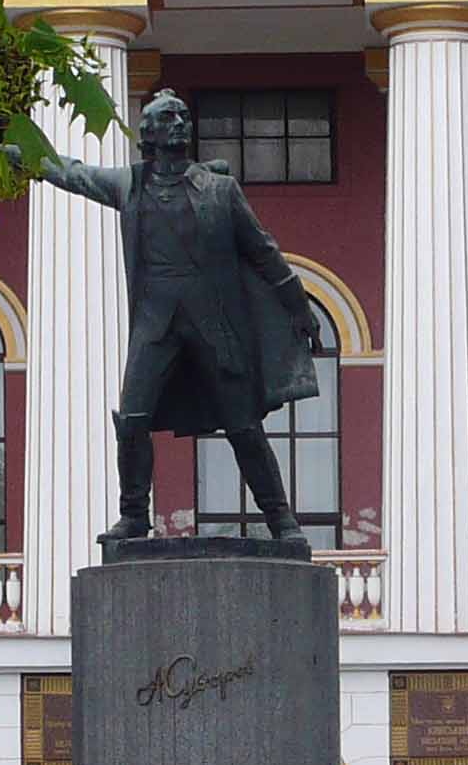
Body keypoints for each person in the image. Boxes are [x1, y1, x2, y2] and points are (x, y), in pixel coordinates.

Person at [39, 89, 321, 550]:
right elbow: (74, 173)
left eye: (184, 117)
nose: (180, 123)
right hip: (156, 323)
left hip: (213, 322)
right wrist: (26, 158)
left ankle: (281, 520)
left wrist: (298, 307)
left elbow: (263, 250)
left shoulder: (219, 189)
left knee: (243, 426)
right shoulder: (129, 185)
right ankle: (133, 516)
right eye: (169, 117)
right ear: (147, 132)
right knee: (132, 418)